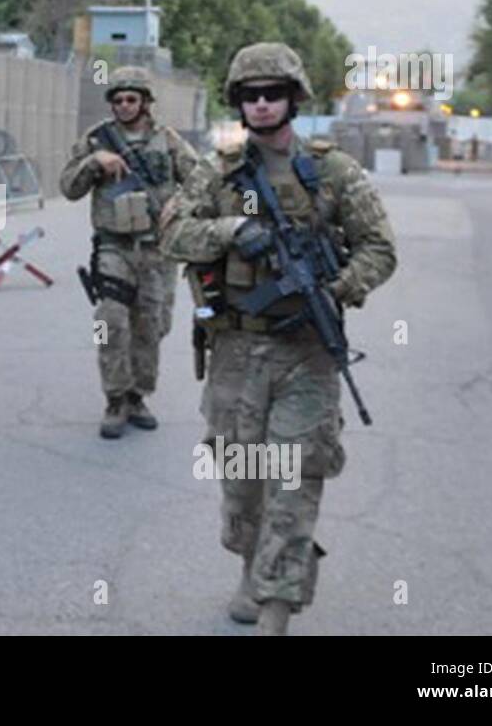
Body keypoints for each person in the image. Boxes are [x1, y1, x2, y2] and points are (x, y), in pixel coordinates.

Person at [160, 42, 396, 635]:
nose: (262, 105)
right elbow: (173, 235)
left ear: (293, 99)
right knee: (243, 482)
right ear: (239, 104)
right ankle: (251, 569)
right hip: (237, 350)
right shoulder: (219, 172)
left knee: (293, 477)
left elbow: (380, 248)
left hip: (307, 354)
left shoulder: (334, 171)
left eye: (273, 94)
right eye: (250, 95)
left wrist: (339, 288)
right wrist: (233, 229)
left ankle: (276, 609)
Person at [59, 65, 199, 439]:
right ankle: (115, 397)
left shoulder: (167, 140)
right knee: (110, 322)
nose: (123, 105)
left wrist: (180, 204)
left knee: (151, 326)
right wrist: (93, 162)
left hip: (157, 250)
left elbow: (201, 181)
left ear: (145, 102)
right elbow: (68, 188)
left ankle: (138, 394)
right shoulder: (96, 139)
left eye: (131, 99)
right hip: (113, 247)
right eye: (117, 99)